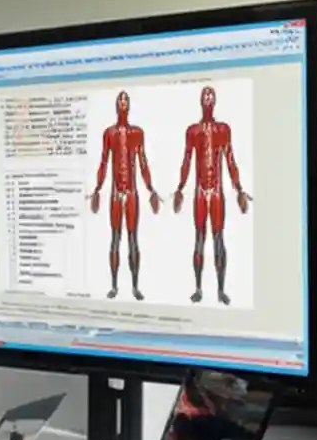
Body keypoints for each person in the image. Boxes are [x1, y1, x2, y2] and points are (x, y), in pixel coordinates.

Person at [172, 84, 253, 305]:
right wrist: (180, 188)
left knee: (218, 238)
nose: (208, 97)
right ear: (201, 100)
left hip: (216, 190)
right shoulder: (193, 131)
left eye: (211, 94)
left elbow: (230, 160)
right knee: (199, 239)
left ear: (214, 100)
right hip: (200, 191)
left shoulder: (223, 130)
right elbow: (187, 161)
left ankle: (220, 290)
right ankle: (198, 288)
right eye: (204, 94)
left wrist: (239, 189)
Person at [87, 90, 161, 301]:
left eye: (126, 100)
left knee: (132, 238)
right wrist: (98, 188)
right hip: (115, 193)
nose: (123, 103)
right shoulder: (109, 133)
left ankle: (135, 286)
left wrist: (150, 188)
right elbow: (103, 161)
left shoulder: (137, 133)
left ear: (129, 105)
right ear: (116, 105)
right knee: (115, 238)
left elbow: (143, 162)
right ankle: (114, 285)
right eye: (120, 100)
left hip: (131, 193)